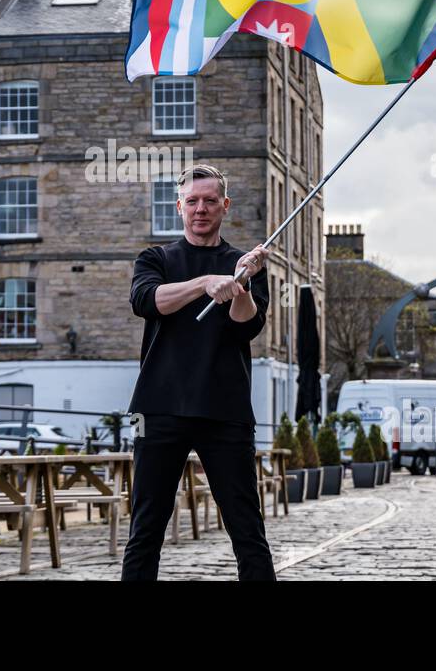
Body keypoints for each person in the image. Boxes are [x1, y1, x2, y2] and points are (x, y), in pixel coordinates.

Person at [122, 163, 273, 581]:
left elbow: (248, 326)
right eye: (193, 201)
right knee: (146, 528)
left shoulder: (244, 265)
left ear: (225, 206)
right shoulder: (155, 258)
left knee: (247, 528)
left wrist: (239, 285)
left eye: (210, 201)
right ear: (179, 207)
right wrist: (206, 282)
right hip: (157, 409)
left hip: (225, 410)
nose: (201, 209)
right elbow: (148, 301)